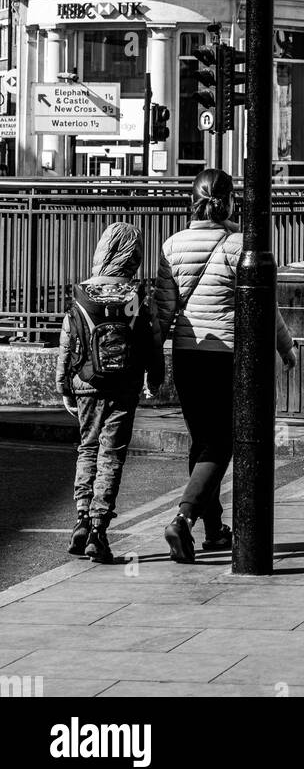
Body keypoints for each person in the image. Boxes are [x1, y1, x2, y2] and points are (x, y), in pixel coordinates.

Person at [154, 168, 296, 563]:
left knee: (203, 440)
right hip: (229, 358)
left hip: (187, 355)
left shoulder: (172, 246)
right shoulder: (240, 245)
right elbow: (265, 305)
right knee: (224, 441)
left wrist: (153, 359)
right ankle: (183, 517)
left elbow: (162, 311)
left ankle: (214, 530)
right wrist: (286, 348)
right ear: (231, 201)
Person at [56, 223, 164, 564]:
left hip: (86, 382)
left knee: (87, 447)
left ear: (103, 250)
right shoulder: (134, 296)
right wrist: (155, 377)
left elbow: (66, 341)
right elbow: (151, 339)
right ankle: (99, 531)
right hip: (124, 384)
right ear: (134, 256)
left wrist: (63, 385)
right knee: (112, 455)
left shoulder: (83, 294)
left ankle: (81, 520)